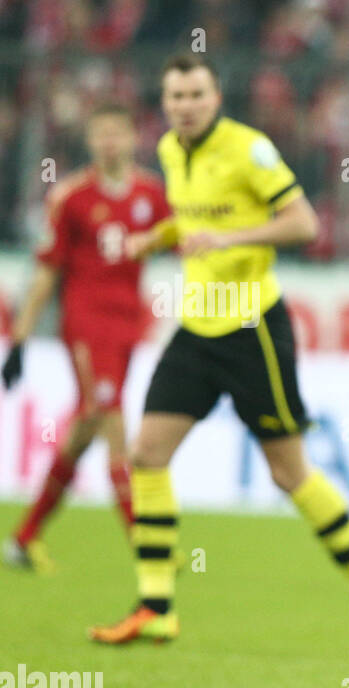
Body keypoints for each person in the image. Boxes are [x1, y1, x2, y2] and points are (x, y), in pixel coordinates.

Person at [88, 54, 349, 660]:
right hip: (196, 328)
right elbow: (194, 220)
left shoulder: (249, 149)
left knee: (289, 472)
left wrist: (229, 239)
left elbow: (303, 223)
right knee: (146, 454)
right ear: (165, 100)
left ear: (216, 95)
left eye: (196, 94)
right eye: (175, 95)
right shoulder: (172, 152)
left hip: (252, 328)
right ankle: (156, 606)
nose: (185, 105)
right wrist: (158, 238)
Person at [2, 103, 169, 573]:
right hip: (85, 324)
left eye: (117, 133)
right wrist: (19, 339)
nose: (108, 143)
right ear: (90, 141)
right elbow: (44, 274)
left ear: (133, 137)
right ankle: (146, 544)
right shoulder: (71, 197)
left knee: (85, 429)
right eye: (100, 135)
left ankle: (24, 537)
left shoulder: (151, 194)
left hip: (127, 324)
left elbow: (180, 240)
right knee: (111, 420)